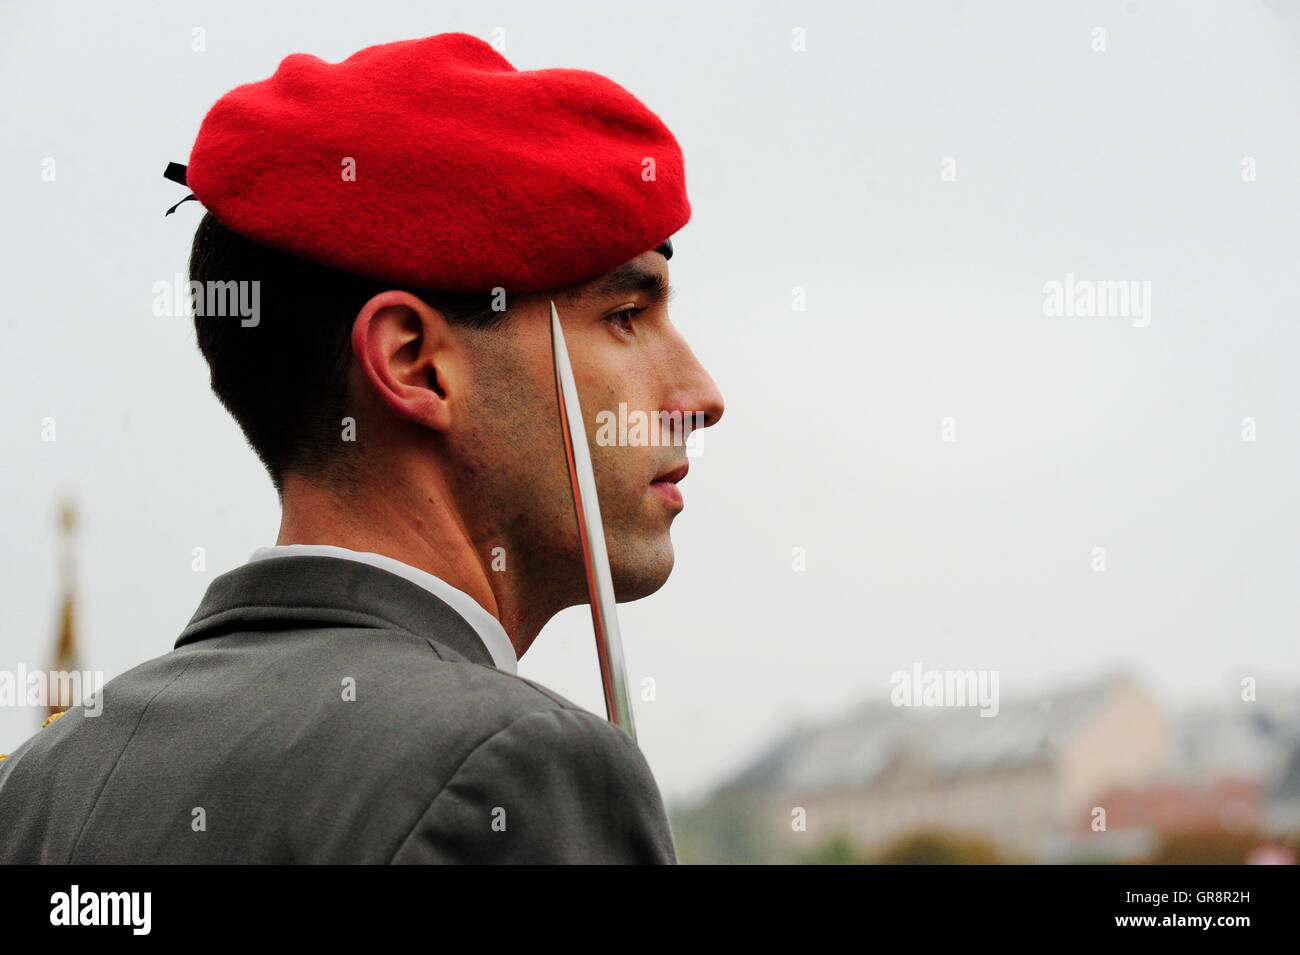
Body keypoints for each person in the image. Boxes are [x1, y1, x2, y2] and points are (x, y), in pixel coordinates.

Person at [0, 32, 723, 864]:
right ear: (414, 362)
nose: (701, 398)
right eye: (626, 315)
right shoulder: (517, 770)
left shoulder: (40, 786)